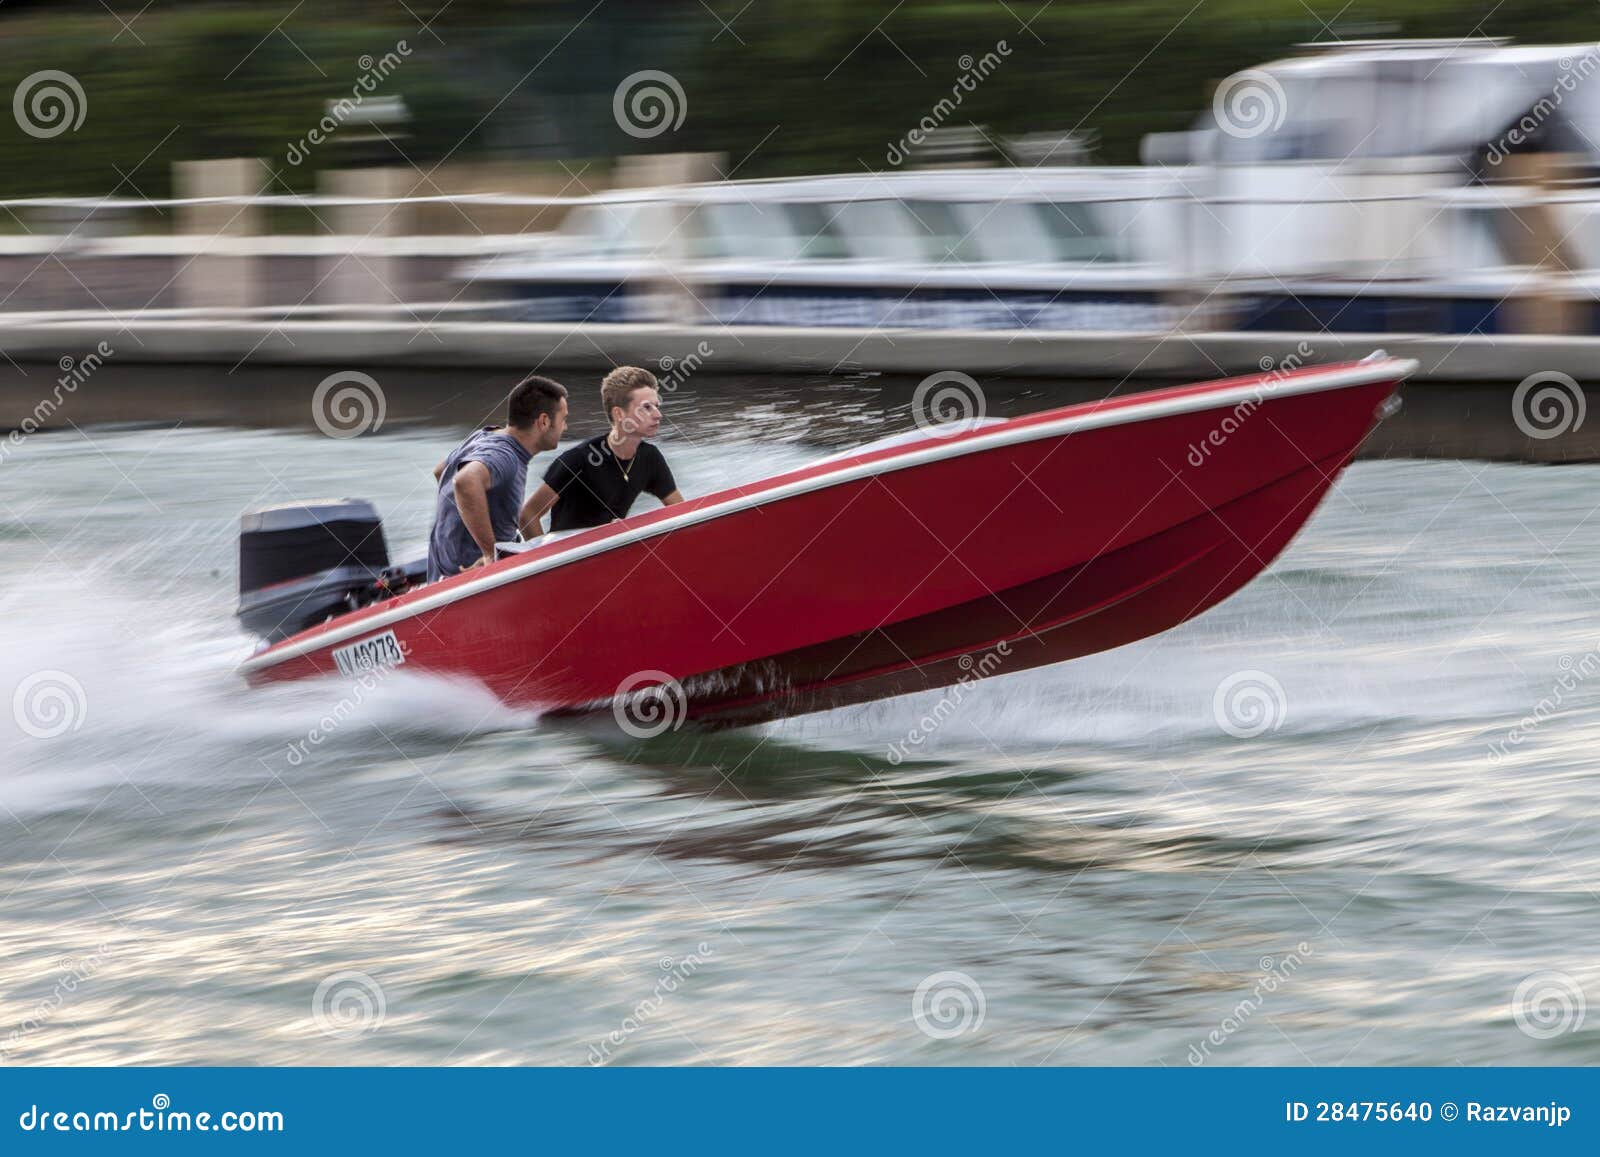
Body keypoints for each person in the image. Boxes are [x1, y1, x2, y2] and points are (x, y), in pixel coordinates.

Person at [427, 373, 568, 581]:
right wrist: (489, 553)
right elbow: (464, 482)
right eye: (564, 419)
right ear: (544, 421)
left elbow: (442, 472)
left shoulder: (485, 435)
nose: (566, 427)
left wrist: (459, 529)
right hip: (471, 589)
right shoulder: (505, 456)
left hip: (443, 576)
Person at [518, 365, 683, 538]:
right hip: (568, 557)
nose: (658, 415)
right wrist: (548, 559)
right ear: (619, 414)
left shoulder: (650, 458)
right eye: (647, 407)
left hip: (612, 551)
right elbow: (528, 516)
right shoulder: (579, 459)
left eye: (657, 406)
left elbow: (681, 511)